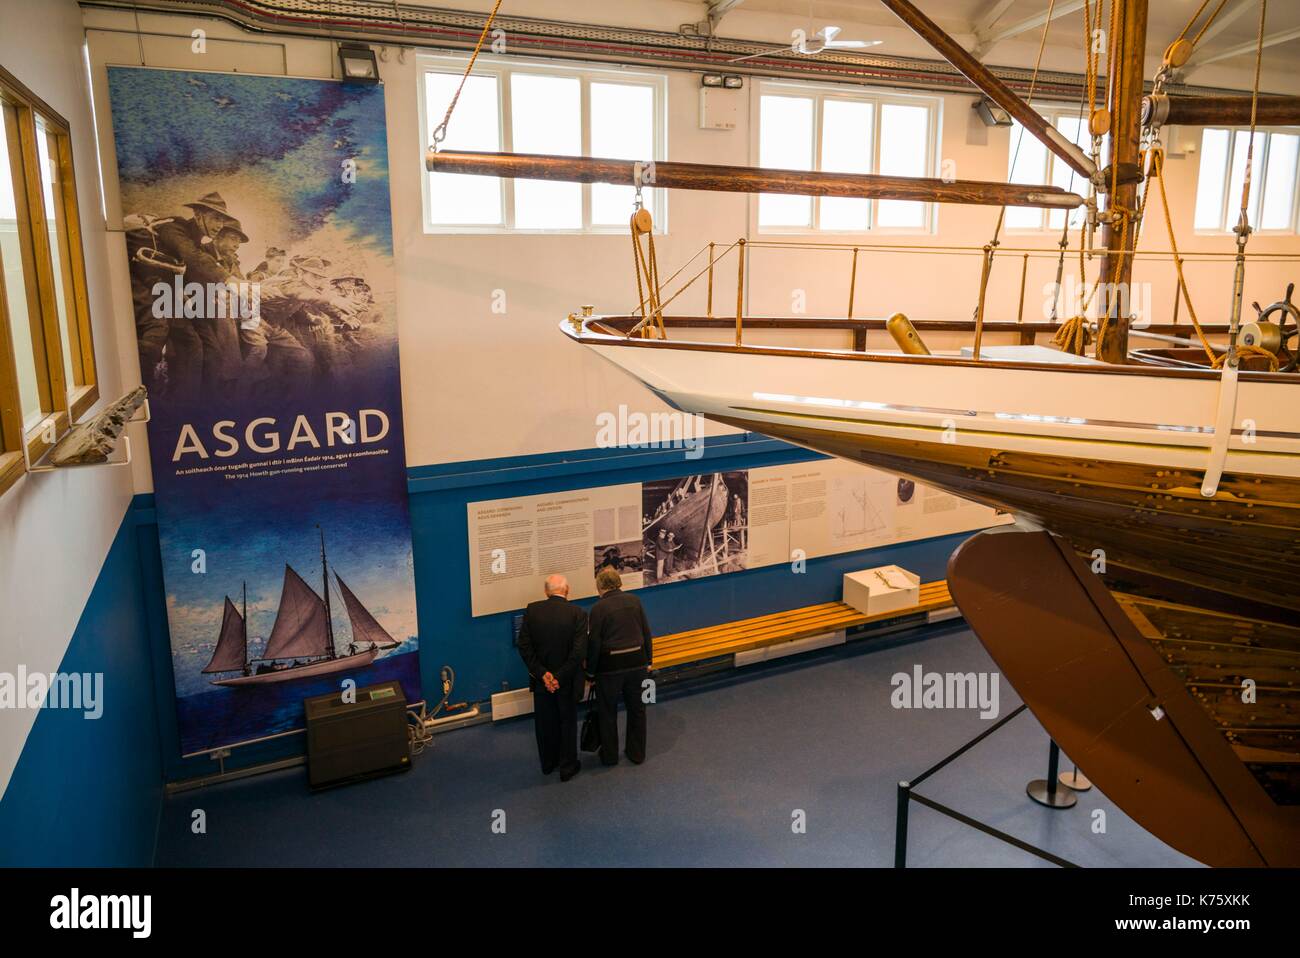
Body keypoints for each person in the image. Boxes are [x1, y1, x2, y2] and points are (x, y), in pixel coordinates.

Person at [516, 574, 587, 781]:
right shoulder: (578, 614)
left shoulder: (532, 611)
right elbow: (578, 652)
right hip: (567, 681)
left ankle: (548, 764)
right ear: (567, 590)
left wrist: (543, 675)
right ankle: (567, 766)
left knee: (544, 723)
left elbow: (524, 647)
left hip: (541, 682)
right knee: (567, 722)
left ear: (546, 592)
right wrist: (559, 677)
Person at [586, 567, 652, 766]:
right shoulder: (635, 601)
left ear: (600, 587)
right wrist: (649, 661)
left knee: (607, 712)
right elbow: (646, 632)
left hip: (609, 668)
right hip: (638, 664)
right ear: (619, 583)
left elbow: (594, 643)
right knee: (638, 709)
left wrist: (590, 672)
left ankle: (610, 756)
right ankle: (637, 753)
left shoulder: (598, 608)